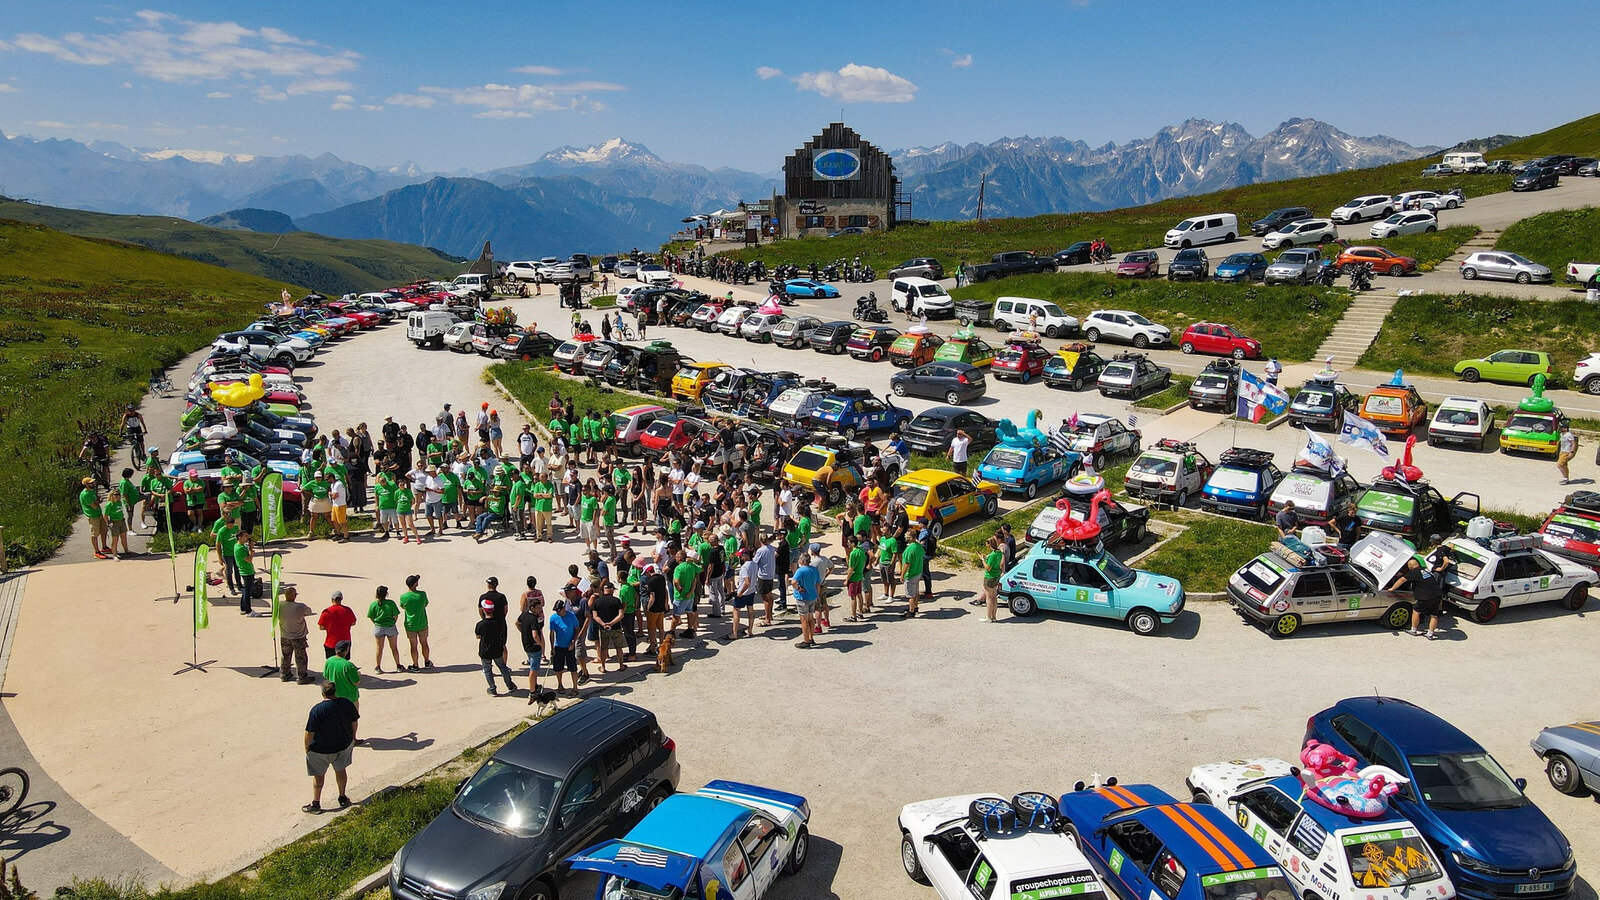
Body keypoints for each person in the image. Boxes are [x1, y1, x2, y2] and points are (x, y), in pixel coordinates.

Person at [303, 681, 357, 814]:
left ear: (322, 693)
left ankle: (316, 804)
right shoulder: (346, 703)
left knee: (318, 776)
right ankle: (343, 797)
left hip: (320, 750)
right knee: (341, 771)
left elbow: (309, 732)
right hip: (343, 745)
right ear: (335, 691)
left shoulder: (317, 710)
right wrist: (353, 737)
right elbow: (354, 722)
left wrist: (306, 747)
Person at [1390, 550, 1449, 639]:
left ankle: (1413, 630)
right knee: (1433, 615)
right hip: (1437, 594)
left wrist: (1392, 588)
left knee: (1416, 611)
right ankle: (1430, 633)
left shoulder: (1414, 572)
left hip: (1426, 596)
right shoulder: (1426, 570)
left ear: (1410, 567)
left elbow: (1401, 580)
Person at [476, 603, 517, 696]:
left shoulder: (480, 624)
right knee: (502, 667)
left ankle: (492, 688)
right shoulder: (498, 623)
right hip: (496, 649)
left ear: (484, 610)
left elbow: (478, 636)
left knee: (487, 669)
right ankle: (510, 685)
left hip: (485, 650)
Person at [516, 578, 546, 703]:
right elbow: (535, 634)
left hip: (526, 643)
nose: (540, 610)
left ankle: (535, 685)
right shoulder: (534, 619)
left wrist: (523, 631)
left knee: (533, 666)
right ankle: (532, 691)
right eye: (538, 608)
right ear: (533, 607)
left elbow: (517, 623)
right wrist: (541, 644)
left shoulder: (524, 615)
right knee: (534, 669)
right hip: (533, 646)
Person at [278, 586, 315, 684]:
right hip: (298, 637)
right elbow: (309, 611)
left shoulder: (279, 605)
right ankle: (302, 677)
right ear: (294, 596)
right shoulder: (300, 607)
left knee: (285, 656)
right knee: (301, 658)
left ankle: (284, 674)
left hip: (285, 636)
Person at [590, 580, 627, 673]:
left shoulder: (597, 601)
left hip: (603, 629)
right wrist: (612, 623)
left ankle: (603, 667)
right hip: (616, 628)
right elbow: (621, 614)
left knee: (604, 648)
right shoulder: (616, 601)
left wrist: (603, 624)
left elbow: (595, 616)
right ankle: (621, 666)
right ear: (612, 590)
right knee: (618, 647)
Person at [398, 574, 432, 670]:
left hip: (410, 624)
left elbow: (403, 606)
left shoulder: (404, 597)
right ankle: (427, 661)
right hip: (422, 622)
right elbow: (425, 604)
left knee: (413, 645)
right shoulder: (422, 594)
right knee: (424, 643)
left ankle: (415, 665)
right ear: (415, 584)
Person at [548, 597, 579, 697]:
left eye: (558, 610)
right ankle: (560, 685)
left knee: (572, 668)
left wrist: (573, 641)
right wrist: (552, 647)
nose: (557, 612)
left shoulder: (571, 616)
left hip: (569, 646)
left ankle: (575, 687)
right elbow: (551, 633)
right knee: (558, 668)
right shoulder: (553, 618)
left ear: (563, 609)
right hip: (559, 646)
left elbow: (577, 629)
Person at [367, 586, 401, 673]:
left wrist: (376, 623)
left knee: (379, 648)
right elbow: (396, 615)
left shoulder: (373, 604)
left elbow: (371, 617)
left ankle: (378, 667)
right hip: (390, 627)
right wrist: (393, 622)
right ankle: (398, 665)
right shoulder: (391, 603)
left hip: (379, 627)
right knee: (394, 647)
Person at [791, 553, 821, 648]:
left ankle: (806, 641)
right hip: (813, 596)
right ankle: (811, 637)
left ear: (802, 561)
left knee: (803, 619)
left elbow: (793, 582)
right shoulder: (814, 570)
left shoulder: (800, 571)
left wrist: (798, 588)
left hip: (802, 597)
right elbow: (818, 584)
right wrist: (817, 594)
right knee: (810, 618)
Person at [79, 478, 110, 559]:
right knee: (94, 534)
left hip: (99, 514)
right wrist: (98, 502)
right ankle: (96, 551)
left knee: (104, 530)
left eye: (93, 482)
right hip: (93, 516)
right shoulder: (85, 494)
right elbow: (94, 506)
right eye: (91, 483)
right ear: (86, 484)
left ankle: (104, 547)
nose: (93, 483)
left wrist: (98, 501)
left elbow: (96, 500)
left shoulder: (92, 491)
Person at [901, 530, 928, 618]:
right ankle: (915, 607)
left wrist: (902, 575)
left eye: (907, 536)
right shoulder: (919, 546)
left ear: (911, 538)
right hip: (918, 572)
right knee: (916, 592)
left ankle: (911, 611)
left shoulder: (909, 549)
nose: (905, 537)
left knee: (910, 595)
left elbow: (907, 564)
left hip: (911, 574)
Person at [982, 535, 1004, 623]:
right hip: (997, 575)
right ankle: (994, 616)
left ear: (990, 544)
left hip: (989, 577)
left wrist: (983, 560)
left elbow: (988, 568)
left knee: (989, 598)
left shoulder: (992, 555)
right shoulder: (999, 553)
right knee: (994, 597)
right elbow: (1001, 564)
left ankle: (988, 617)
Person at [235, 531, 258, 615]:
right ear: (239, 537)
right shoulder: (239, 548)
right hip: (246, 571)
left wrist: (250, 548)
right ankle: (248, 611)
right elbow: (248, 560)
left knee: (245, 591)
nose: (247, 538)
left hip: (247, 570)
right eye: (245, 536)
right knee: (248, 593)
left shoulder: (239, 545)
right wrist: (252, 552)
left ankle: (243, 608)